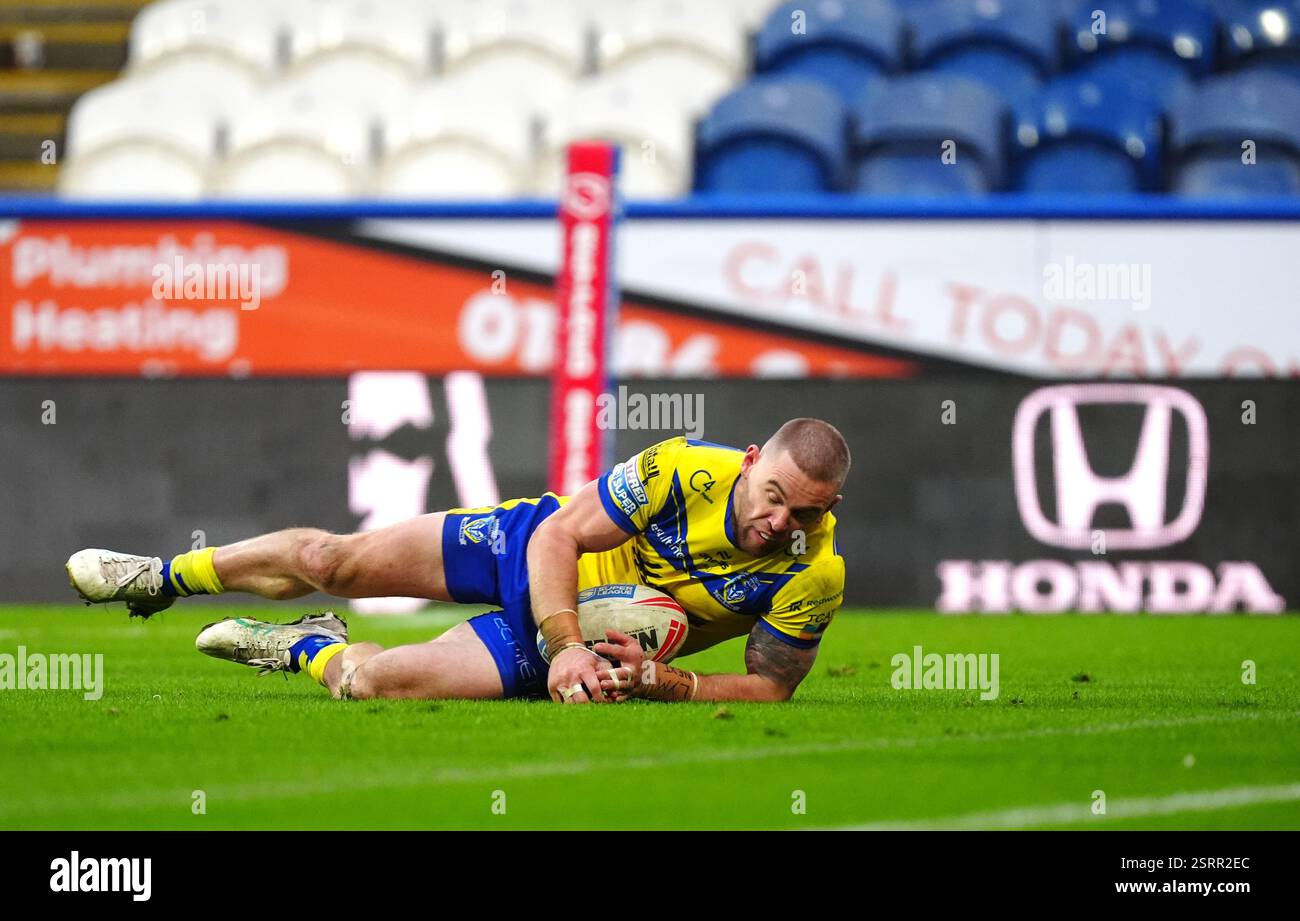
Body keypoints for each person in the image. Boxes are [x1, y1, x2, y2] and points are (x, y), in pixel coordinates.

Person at [66, 418, 849, 705]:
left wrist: (673, 683)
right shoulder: (682, 467)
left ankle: (308, 642)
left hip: (595, 649)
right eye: (773, 494)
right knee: (327, 556)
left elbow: (770, 685)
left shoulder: (814, 571)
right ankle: (162, 578)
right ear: (751, 461)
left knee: (369, 683)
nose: (779, 520)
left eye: (805, 512)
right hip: (534, 561)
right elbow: (559, 538)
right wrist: (566, 639)